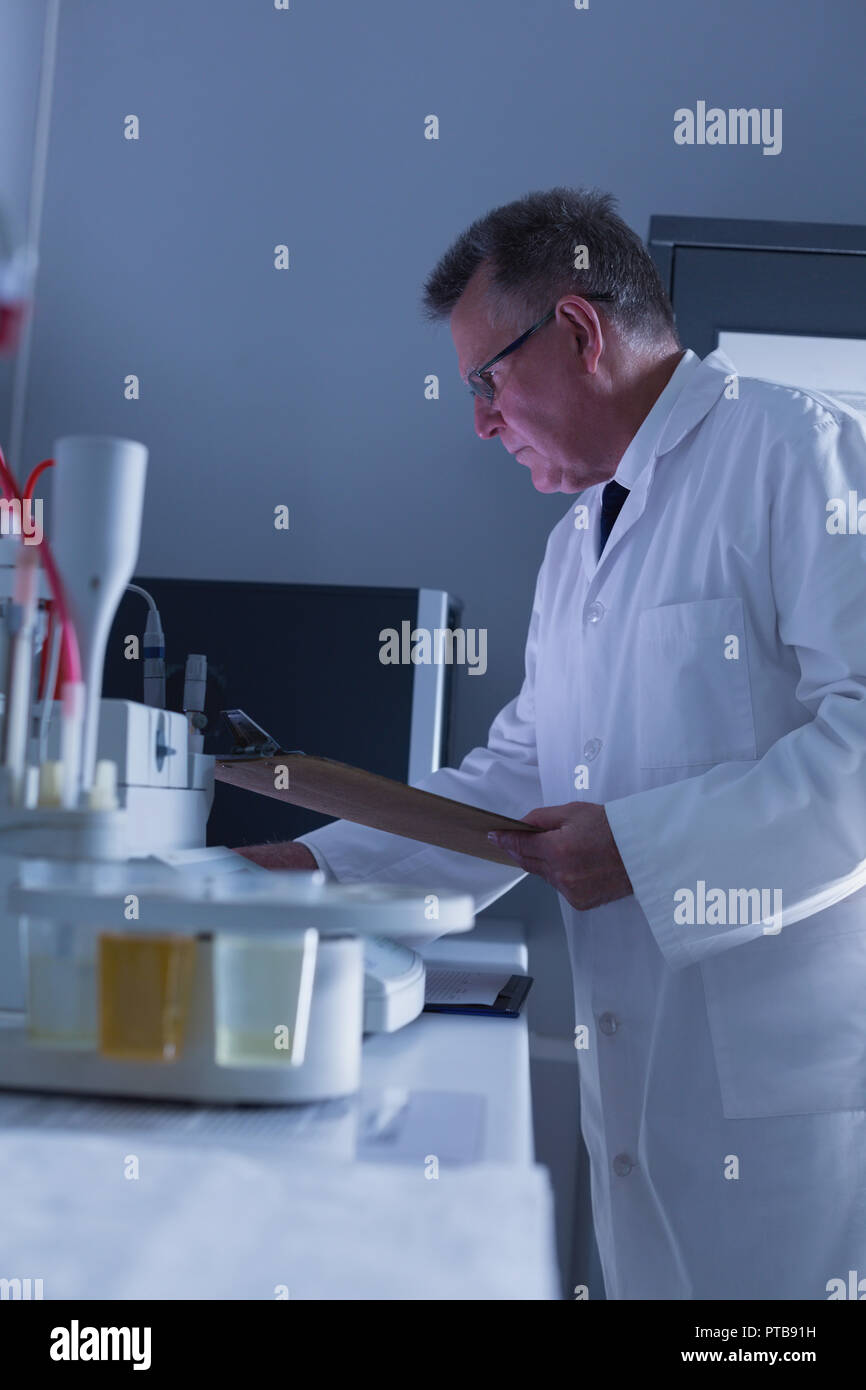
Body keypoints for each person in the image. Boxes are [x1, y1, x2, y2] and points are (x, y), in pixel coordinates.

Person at [235, 187, 866, 1300]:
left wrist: (645, 849)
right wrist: (302, 873)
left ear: (575, 330)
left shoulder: (794, 452)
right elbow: (518, 782)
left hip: (782, 1128)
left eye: (485, 380)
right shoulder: (578, 542)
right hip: (639, 1091)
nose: (477, 419)